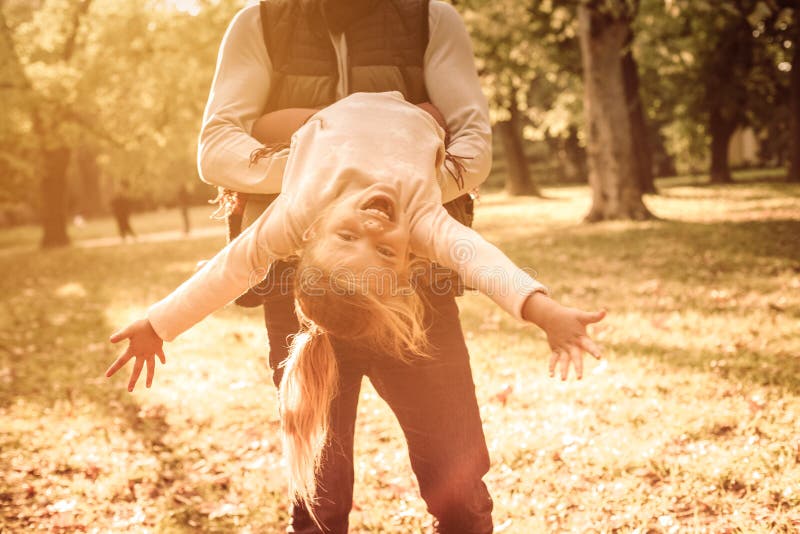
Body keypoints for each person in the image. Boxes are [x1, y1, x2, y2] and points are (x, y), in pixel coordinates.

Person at [106, 92, 606, 533]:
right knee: (323, 484)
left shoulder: (302, 209)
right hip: (403, 113)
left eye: (348, 237)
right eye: (386, 252)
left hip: (322, 119)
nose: (375, 225)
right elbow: (479, 260)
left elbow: (234, 267)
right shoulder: (419, 217)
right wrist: (544, 312)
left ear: (313, 237)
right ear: (408, 263)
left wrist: (158, 324)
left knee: (270, 125)